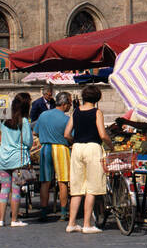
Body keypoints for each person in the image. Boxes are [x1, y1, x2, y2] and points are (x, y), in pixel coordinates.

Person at [64, 84, 108, 234]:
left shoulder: (75, 112)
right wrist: (111, 145)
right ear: (97, 98)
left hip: (77, 148)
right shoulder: (97, 112)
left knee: (76, 188)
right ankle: (87, 224)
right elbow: (102, 134)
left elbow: (66, 133)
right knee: (92, 186)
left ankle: (71, 223)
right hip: (92, 148)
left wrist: (74, 141)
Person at [34, 91, 72, 222]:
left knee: (45, 182)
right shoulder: (67, 119)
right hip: (61, 149)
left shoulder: (43, 115)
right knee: (63, 182)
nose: (70, 106)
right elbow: (70, 135)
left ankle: (43, 211)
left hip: (45, 148)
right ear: (65, 104)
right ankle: (63, 212)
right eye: (70, 103)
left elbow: (35, 131)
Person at [0, 91, 33, 228]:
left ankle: (1, 219)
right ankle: (14, 219)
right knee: (16, 190)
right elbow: (28, 142)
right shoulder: (23, 121)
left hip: (4, 159)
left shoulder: (4, 118)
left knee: (4, 189)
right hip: (17, 160)